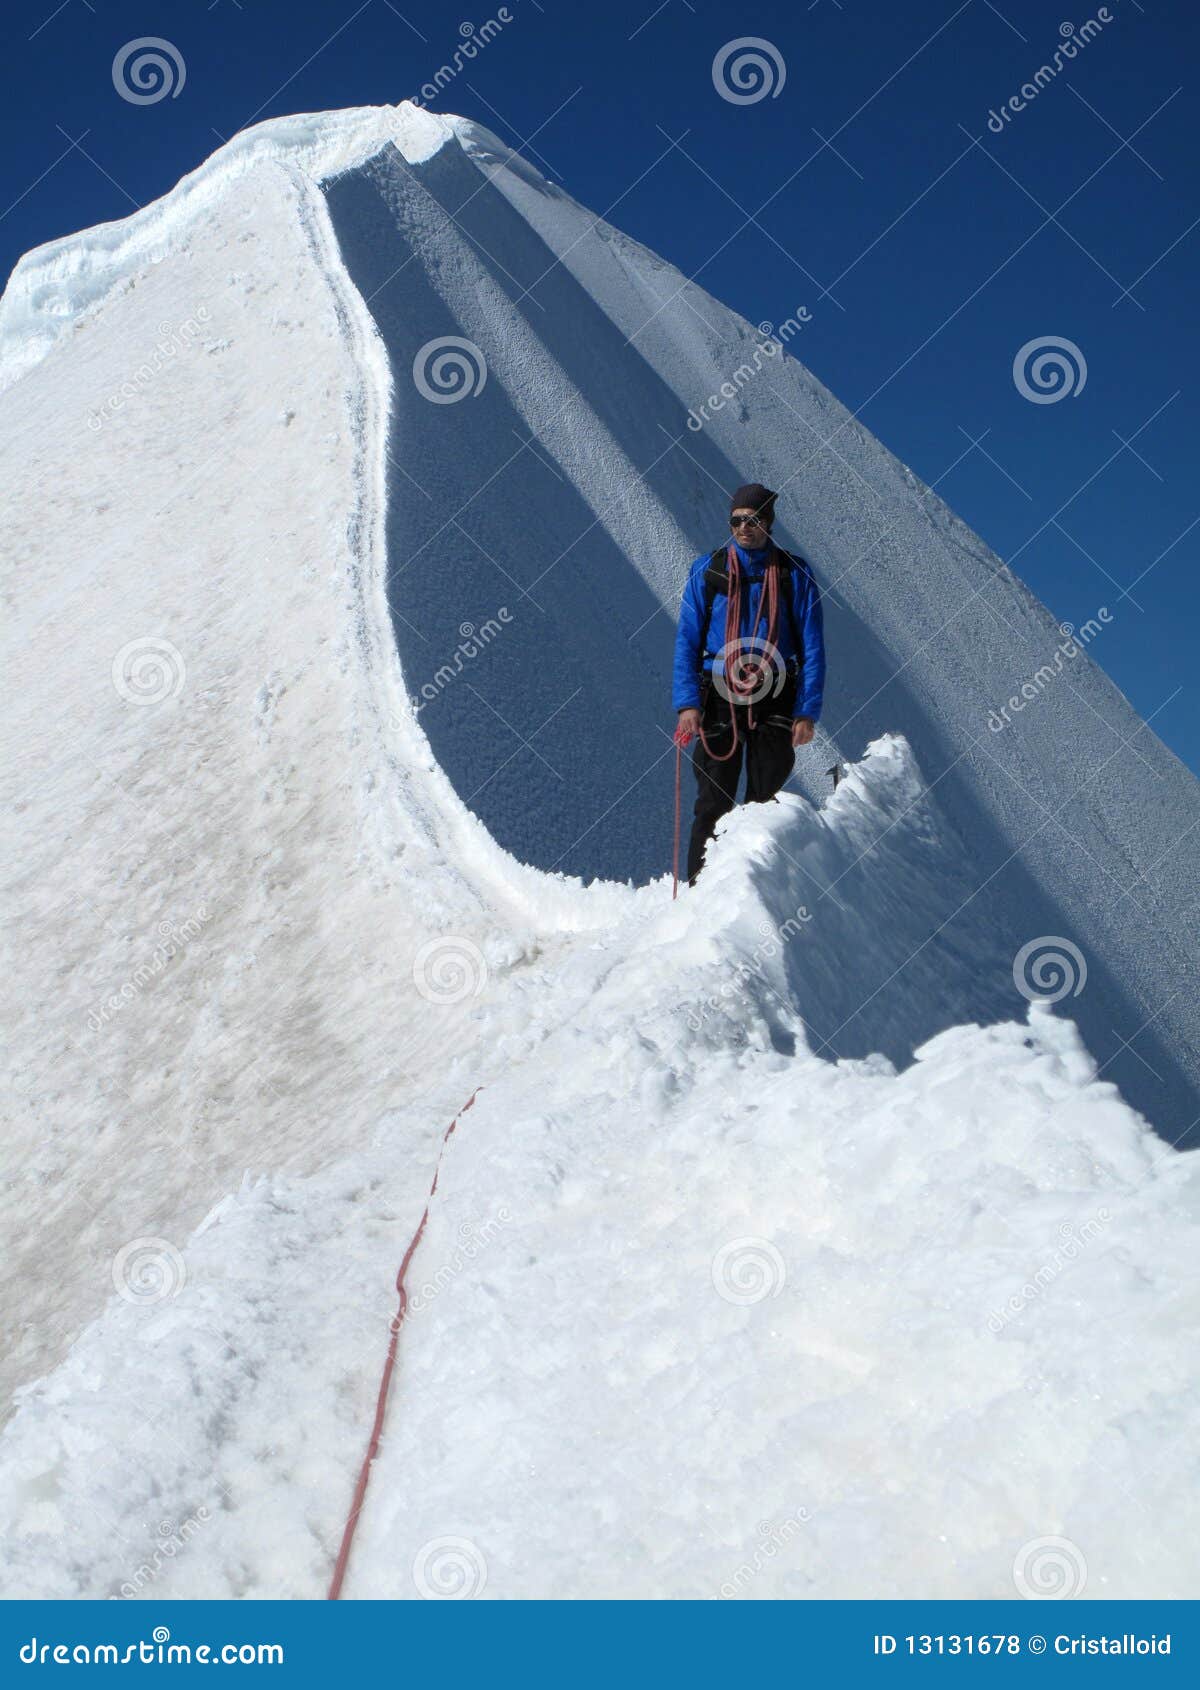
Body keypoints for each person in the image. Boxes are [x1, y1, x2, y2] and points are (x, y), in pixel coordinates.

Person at [672, 483, 825, 885]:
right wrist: (688, 704)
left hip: (776, 695)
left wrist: (807, 711)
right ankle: (699, 889)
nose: (744, 528)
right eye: (737, 520)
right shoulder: (709, 570)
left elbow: (812, 646)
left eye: (753, 520)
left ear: (769, 523)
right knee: (712, 800)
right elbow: (687, 638)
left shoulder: (795, 574)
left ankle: (751, 893)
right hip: (718, 693)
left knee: (764, 798)